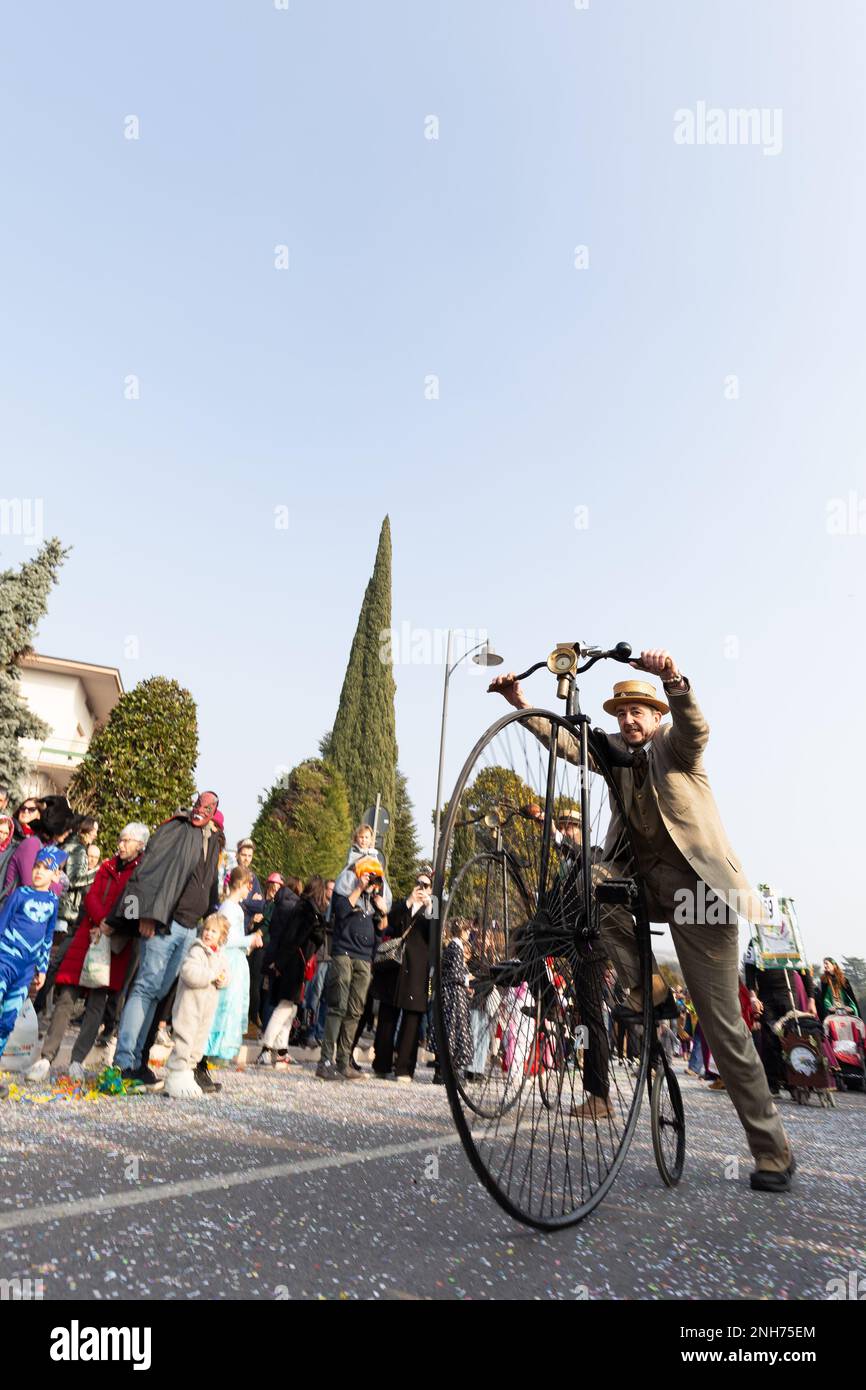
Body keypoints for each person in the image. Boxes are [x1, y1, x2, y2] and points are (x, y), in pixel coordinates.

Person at [490, 647, 796, 1193]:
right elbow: (567, 744)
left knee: (723, 1026)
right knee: (589, 879)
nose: (629, 720)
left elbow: (696, 728)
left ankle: (772, 1152)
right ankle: (645, 985)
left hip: (701, 898)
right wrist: (522, 702)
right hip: (643, 885)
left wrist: (673, 680)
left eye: (638, 711)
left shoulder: (675, 749)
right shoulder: (613, 753)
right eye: (621, 713)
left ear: (654, 717)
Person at [110, 791, 224, 1090]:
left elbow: (208, 885)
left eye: (207, 808)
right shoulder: (176, 828)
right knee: (146, 988)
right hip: (164, 923)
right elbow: (145, 872)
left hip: (189, 929)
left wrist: (211, 926)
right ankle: (124, 1062)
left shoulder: (212, 840)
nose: (201, 811)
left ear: (214, 812)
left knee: (158, 993)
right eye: (198, 805)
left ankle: (137, 1061)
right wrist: (140, 917)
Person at [25, 823, 150, 1082]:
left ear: (140, 845)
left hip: (113, 943)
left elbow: (132, 911)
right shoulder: (106, 866)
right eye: (121, 838)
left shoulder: (142, 872)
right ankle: (46, 1057)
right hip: (88, 935)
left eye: (127, 840)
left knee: (96, 1002)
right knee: (66, 997)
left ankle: (77, 1061)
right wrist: (101, 921)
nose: (121, 844)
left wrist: (108, 927)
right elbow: (91, 896)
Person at [316, 859, 387, 1081]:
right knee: (338, 1005)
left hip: (364, 957)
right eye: (368, 875)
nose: (371, 879)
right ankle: (325, 1060)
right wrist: (358, 887)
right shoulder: (345, 890)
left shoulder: (373, 899)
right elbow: (342, 911)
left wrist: (383, 912)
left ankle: (343, 1062)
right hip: (344, 952)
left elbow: (382, 929)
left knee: (355, 1010)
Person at [0, 846, 63, 1097]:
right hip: (5, 960)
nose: (38, 872)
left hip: (25, 971)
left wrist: (42, 968)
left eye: (45, 868)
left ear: (55, 875)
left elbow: (48, 936)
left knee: (7, 1020)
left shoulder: (52, 902)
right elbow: (2, 923)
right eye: (36, 866)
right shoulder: (20, 895)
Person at [256, 877, 329, 1067]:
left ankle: (281, 1050)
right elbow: (295, 939)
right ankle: (266, 1048)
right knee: (285, 1007)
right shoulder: (308, 911)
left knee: (290, 1008)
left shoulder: (302, 907)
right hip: (293, 964)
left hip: (290, 962)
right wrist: (280, 964)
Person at [372, 870, 433, 1082]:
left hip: (416, 971)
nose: (422, 888)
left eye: (426, 885)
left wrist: (430, 907)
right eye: (419, 884)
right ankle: (382, 1064)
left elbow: (434, 937)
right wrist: (408, 902)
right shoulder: (402, 904)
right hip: (395, 968)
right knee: (387, 1018)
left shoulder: (432, 912)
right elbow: (391, 922)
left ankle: (404, 1069)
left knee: (412, 1023)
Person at [164, 914, 230, 1100]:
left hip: (206, 1009)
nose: (208, 934)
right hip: (189, 1006)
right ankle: (176, 1073)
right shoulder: (197, 950)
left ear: (221, 936)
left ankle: (188, 1071)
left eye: (213, 931)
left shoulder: (220, 955)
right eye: (207, 930)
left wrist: (223, 979)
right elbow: (188, 973)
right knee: (184, 1037)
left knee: (198, 1040)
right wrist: (211, 974)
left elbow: (225, 975)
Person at [204, 868, 262, 1068]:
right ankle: (210, 1053)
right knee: (223, 1008)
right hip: (229, 961)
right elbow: (225, 940)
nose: (250, 889)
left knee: (230, 1007)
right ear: (241, 884)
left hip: (236, 960)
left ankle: (216, 1055)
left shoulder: (235, 907)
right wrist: (250, 939)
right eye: (249, 885)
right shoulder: (229, 908)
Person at [432, 921, 473, 1085]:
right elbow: (455, 975)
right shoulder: (456, 948)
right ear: (462, 931)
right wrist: (468, 978)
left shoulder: (452, 947)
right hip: (453, 996)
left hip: (451, 994)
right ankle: (449, 1072)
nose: (469, 933)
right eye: (467, 930)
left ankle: (442, 1071)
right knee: (453, 1031)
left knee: (449, 1030)